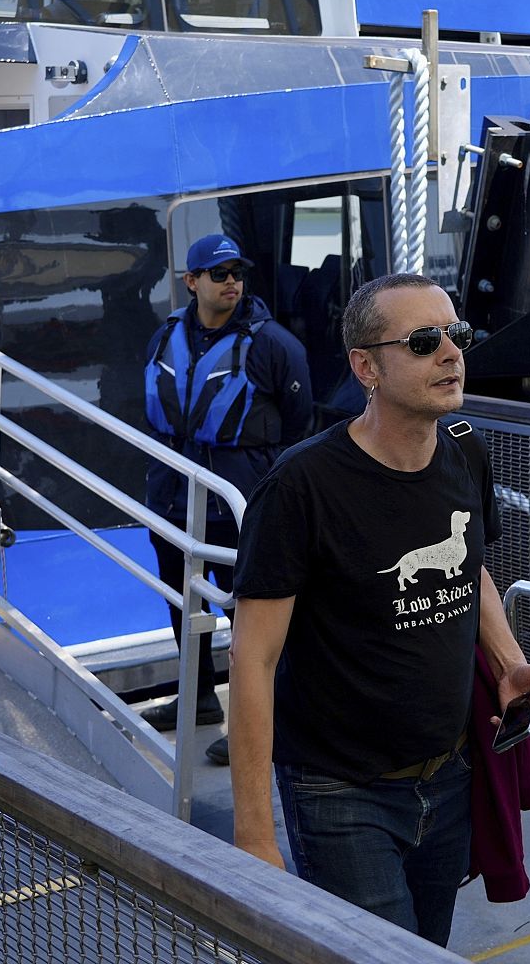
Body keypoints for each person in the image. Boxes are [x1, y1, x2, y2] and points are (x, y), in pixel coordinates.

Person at [228, 272, 530, 947]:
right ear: (365, 367)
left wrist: (510, 663)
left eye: (456, 336)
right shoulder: (300, 487)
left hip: (449, 771)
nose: (451, 354)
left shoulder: (466, 450)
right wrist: (254, 834)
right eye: (424, 341)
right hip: (341, 793)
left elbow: (473, 570)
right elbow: (252, 658)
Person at [141, 233, 311, 765]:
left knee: (251, 617)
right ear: (192, 282)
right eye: (219, 273)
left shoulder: (273, 346)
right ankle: (198, 700)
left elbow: (299, 425)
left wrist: (270, 489)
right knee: (180, 600)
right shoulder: (165, 336)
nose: (232, 281)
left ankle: (259, 721)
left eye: (238, 271)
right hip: (174, 497)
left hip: (240, 501)